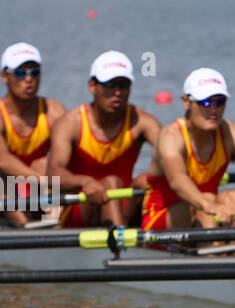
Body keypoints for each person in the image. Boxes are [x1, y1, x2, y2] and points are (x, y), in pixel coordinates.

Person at [47, 51, 161, 228]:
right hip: (78, 209)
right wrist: (84, 182)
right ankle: (123, 246)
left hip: (123, 207)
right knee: (111, 182)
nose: (117, 92)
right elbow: (53, 173)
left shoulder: (142, 121)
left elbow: (174, 154)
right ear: (92, 86)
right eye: (109, 85)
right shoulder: (70, 124)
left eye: (123, 85)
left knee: (146, 180)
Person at [141, 68, 235, 233]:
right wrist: (209, 205)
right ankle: (213, 252)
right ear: (186, 101)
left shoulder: (232, 133)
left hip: (205, 216)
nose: (213, 109)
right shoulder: (171, 137)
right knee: (205, 200)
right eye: (205, 102)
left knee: (233, 197)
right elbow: (177, 181)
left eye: (220, 102)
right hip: (160, 223)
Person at [0, 43, 67, 225]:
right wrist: (45, 181)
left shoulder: (54, 111)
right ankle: (27, 231)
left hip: (36, 193)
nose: (28, 78)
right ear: (4, 76)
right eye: (20, 73)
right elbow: (2, 159)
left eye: (34, 72)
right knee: (2, 178)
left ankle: (58, 226)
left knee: (45, 164)